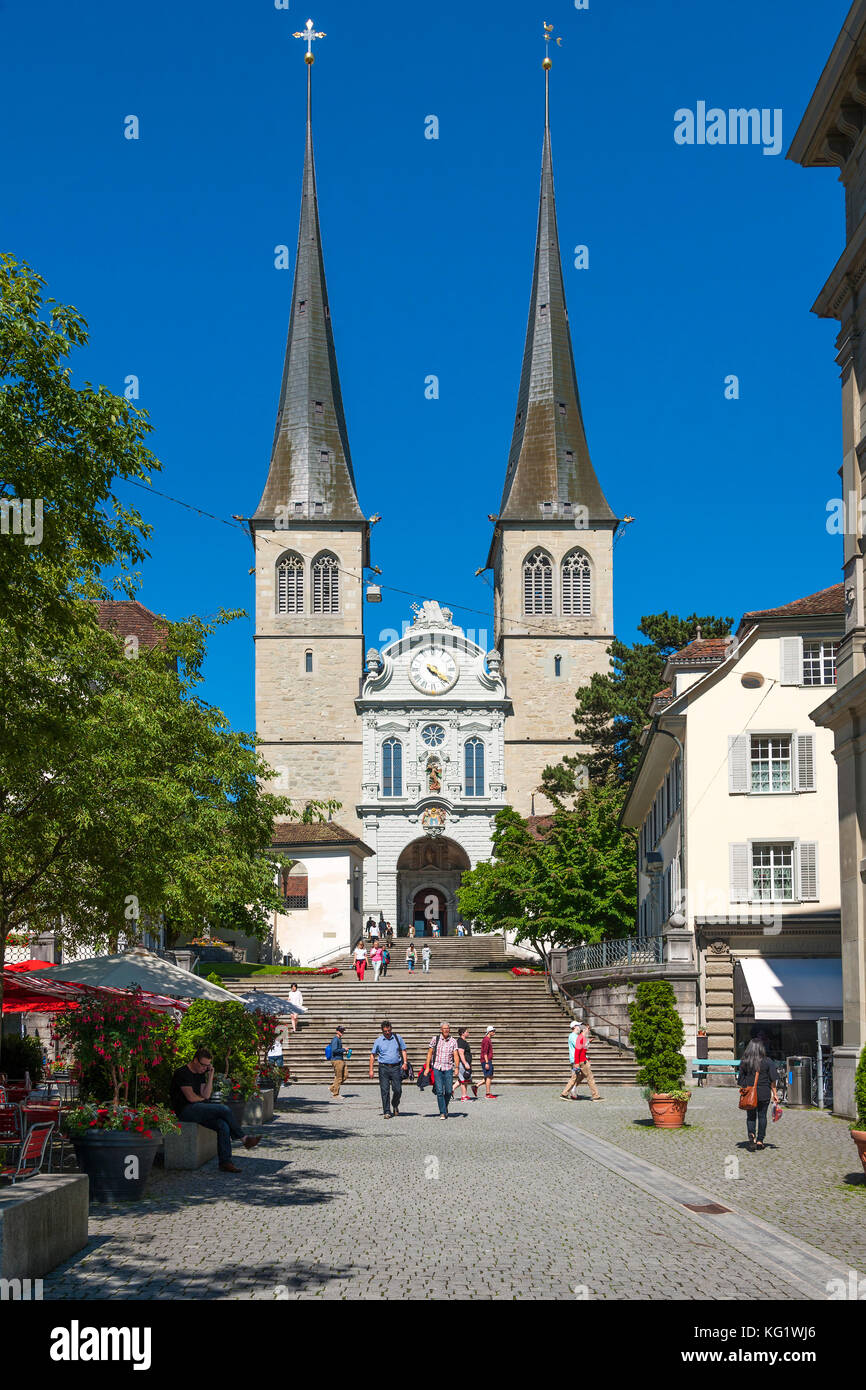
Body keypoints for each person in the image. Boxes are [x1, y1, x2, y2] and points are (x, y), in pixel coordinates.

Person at [170, 1046, 261, 1173]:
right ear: (195, 1060)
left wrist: (210, 1075)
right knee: (224, 1109)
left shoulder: (201, 1073)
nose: (204, 1068)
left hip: (198, 1108)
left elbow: (206, 1095)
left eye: (207, 1066)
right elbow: (191, 1098)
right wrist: (201, 1099)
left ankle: (225, 1163)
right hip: (185, 1111)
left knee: (223, 1125)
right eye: (203, 1065)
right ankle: (244, 1139)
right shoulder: (182, 1073)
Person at [738, 1033, 779, 1150]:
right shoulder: (767, 1061)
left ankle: (752, 1135)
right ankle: (760, 1140)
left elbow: (740, 1080)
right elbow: (773, 1079)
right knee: (762, 1116)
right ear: (762, 1048)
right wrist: (775, 1094)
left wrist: (747, 1087)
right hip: (764, 1093)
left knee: (750, 1117)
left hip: (749, 1094)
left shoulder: (745, 1062)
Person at [369, 1019, 408, 1118]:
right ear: (382, 1031)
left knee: (397, 1089)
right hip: (383, 1068)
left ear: (391, 1029)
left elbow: (403, 1050)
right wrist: (371, 1069)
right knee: (384, 1090)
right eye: (385, 1031)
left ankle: (395, 1104)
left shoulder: (397, 1038)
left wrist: (405, 1063)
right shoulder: (378, 1041)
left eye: (389, 1031)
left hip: (396, 1067)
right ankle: (387, 1111)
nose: (387, 1033)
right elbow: (372, 1055)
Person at [425, 1022, 460, 1119]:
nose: (446, 1030)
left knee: (449, 1091)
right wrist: (427, 1067)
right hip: (437, 1068)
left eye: (448, 1028)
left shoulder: (453, 1041)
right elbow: (429, 1053)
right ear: (441, 1029)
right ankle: (443, 1112)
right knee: (440, 1091)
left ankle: (444, 1107)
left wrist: (457, 1068)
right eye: (444, 1028)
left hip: (448, 1068)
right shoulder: (435, 1039)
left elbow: (456, 1054)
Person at [561, 1022, 602, 1102]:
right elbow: (578, 1049)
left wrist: (588, 1042)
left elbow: (581, 1047)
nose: (579, 1027)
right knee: (586, 1077)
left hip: (579, 1059)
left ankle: (567, 1092)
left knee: (578, 1077)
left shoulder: (578, 1036)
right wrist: (577, 1062)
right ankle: (595, 1096)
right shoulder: (574, 1036)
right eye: (578, 1026)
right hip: (577, 1060)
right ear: (574, 1027)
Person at [455, 1027, 478, 1101]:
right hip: (462, 1063)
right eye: (467, 1032)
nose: (468, 1033)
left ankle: (463, 1094)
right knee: (463, 1080)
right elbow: (461, 1053)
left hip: (466, 1062)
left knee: (465, 1079)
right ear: (462, 1033)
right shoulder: (461, 1041)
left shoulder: (463, 1041)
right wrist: (465, 1063)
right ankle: (463, 1096)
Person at [328, 1025, 350, 1098]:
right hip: (337, 1060)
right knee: (339, 1077)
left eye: (343, 1031)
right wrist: (344, 1049)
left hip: (340, 1059)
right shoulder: (335, 1039)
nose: (342, 1032)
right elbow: (334, 1050)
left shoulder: (338, 1039)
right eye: (341, 1031)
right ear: (337, 1031)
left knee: (345, 1075)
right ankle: (336, 1094)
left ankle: (332, 1088)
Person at [480, 1025, 497, 1098]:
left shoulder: (487, 1039)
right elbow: (485, 1052)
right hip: (486, 1060)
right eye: (493, 1031)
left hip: (487, 1060)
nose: (494, 1032)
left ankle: (476, 1086)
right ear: (489, 1032)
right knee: (489, 1077)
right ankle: (487, 1093)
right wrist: (487, 1062)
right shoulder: (487, 1040)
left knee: (489, 1076)